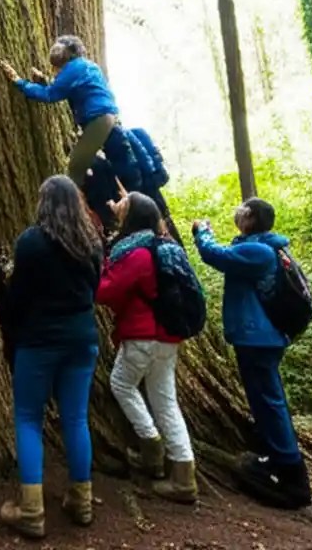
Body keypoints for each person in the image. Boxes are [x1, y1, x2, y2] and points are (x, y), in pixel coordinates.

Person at [0, 175, 103, 538]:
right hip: (82, 339)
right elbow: (94, 288)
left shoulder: (31, 243)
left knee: (28, 418)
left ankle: (31, 511)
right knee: (75, 418)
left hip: (39, 341)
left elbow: (19, 297)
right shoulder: (91, 243)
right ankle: (82, 500)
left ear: (44, 204)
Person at [192, 198, 312, 509]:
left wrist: (202, 231)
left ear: (251, 218)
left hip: (259, 338)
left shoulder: (258, 251)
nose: (237, 211)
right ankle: (276, 459)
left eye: (243, 209)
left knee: (269, 401)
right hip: (259, 337)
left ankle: (291, 472)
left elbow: (213, 254)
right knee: (264, 400)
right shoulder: (261, 246)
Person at [97, 192, 197, 503]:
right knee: (166, 402)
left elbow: (106, 292)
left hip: (142, 335)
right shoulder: (166, 246)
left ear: (134, 217)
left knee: (122, 383)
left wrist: (96, 269)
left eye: (123, 209)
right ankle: (183, 475)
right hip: (168, 337)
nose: (118, 212)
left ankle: (151, 445)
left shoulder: (137, 254)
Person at [1, 35, 119, 187]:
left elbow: (50, 94)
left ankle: (74, 203)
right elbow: (69, 89)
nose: (56, 72)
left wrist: (20, 82)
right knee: (87, 164)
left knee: (75, 166)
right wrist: (46, 81)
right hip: (105, 117)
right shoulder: (87, 65)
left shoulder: (73, 68)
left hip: (98, 119)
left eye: (57, 68)